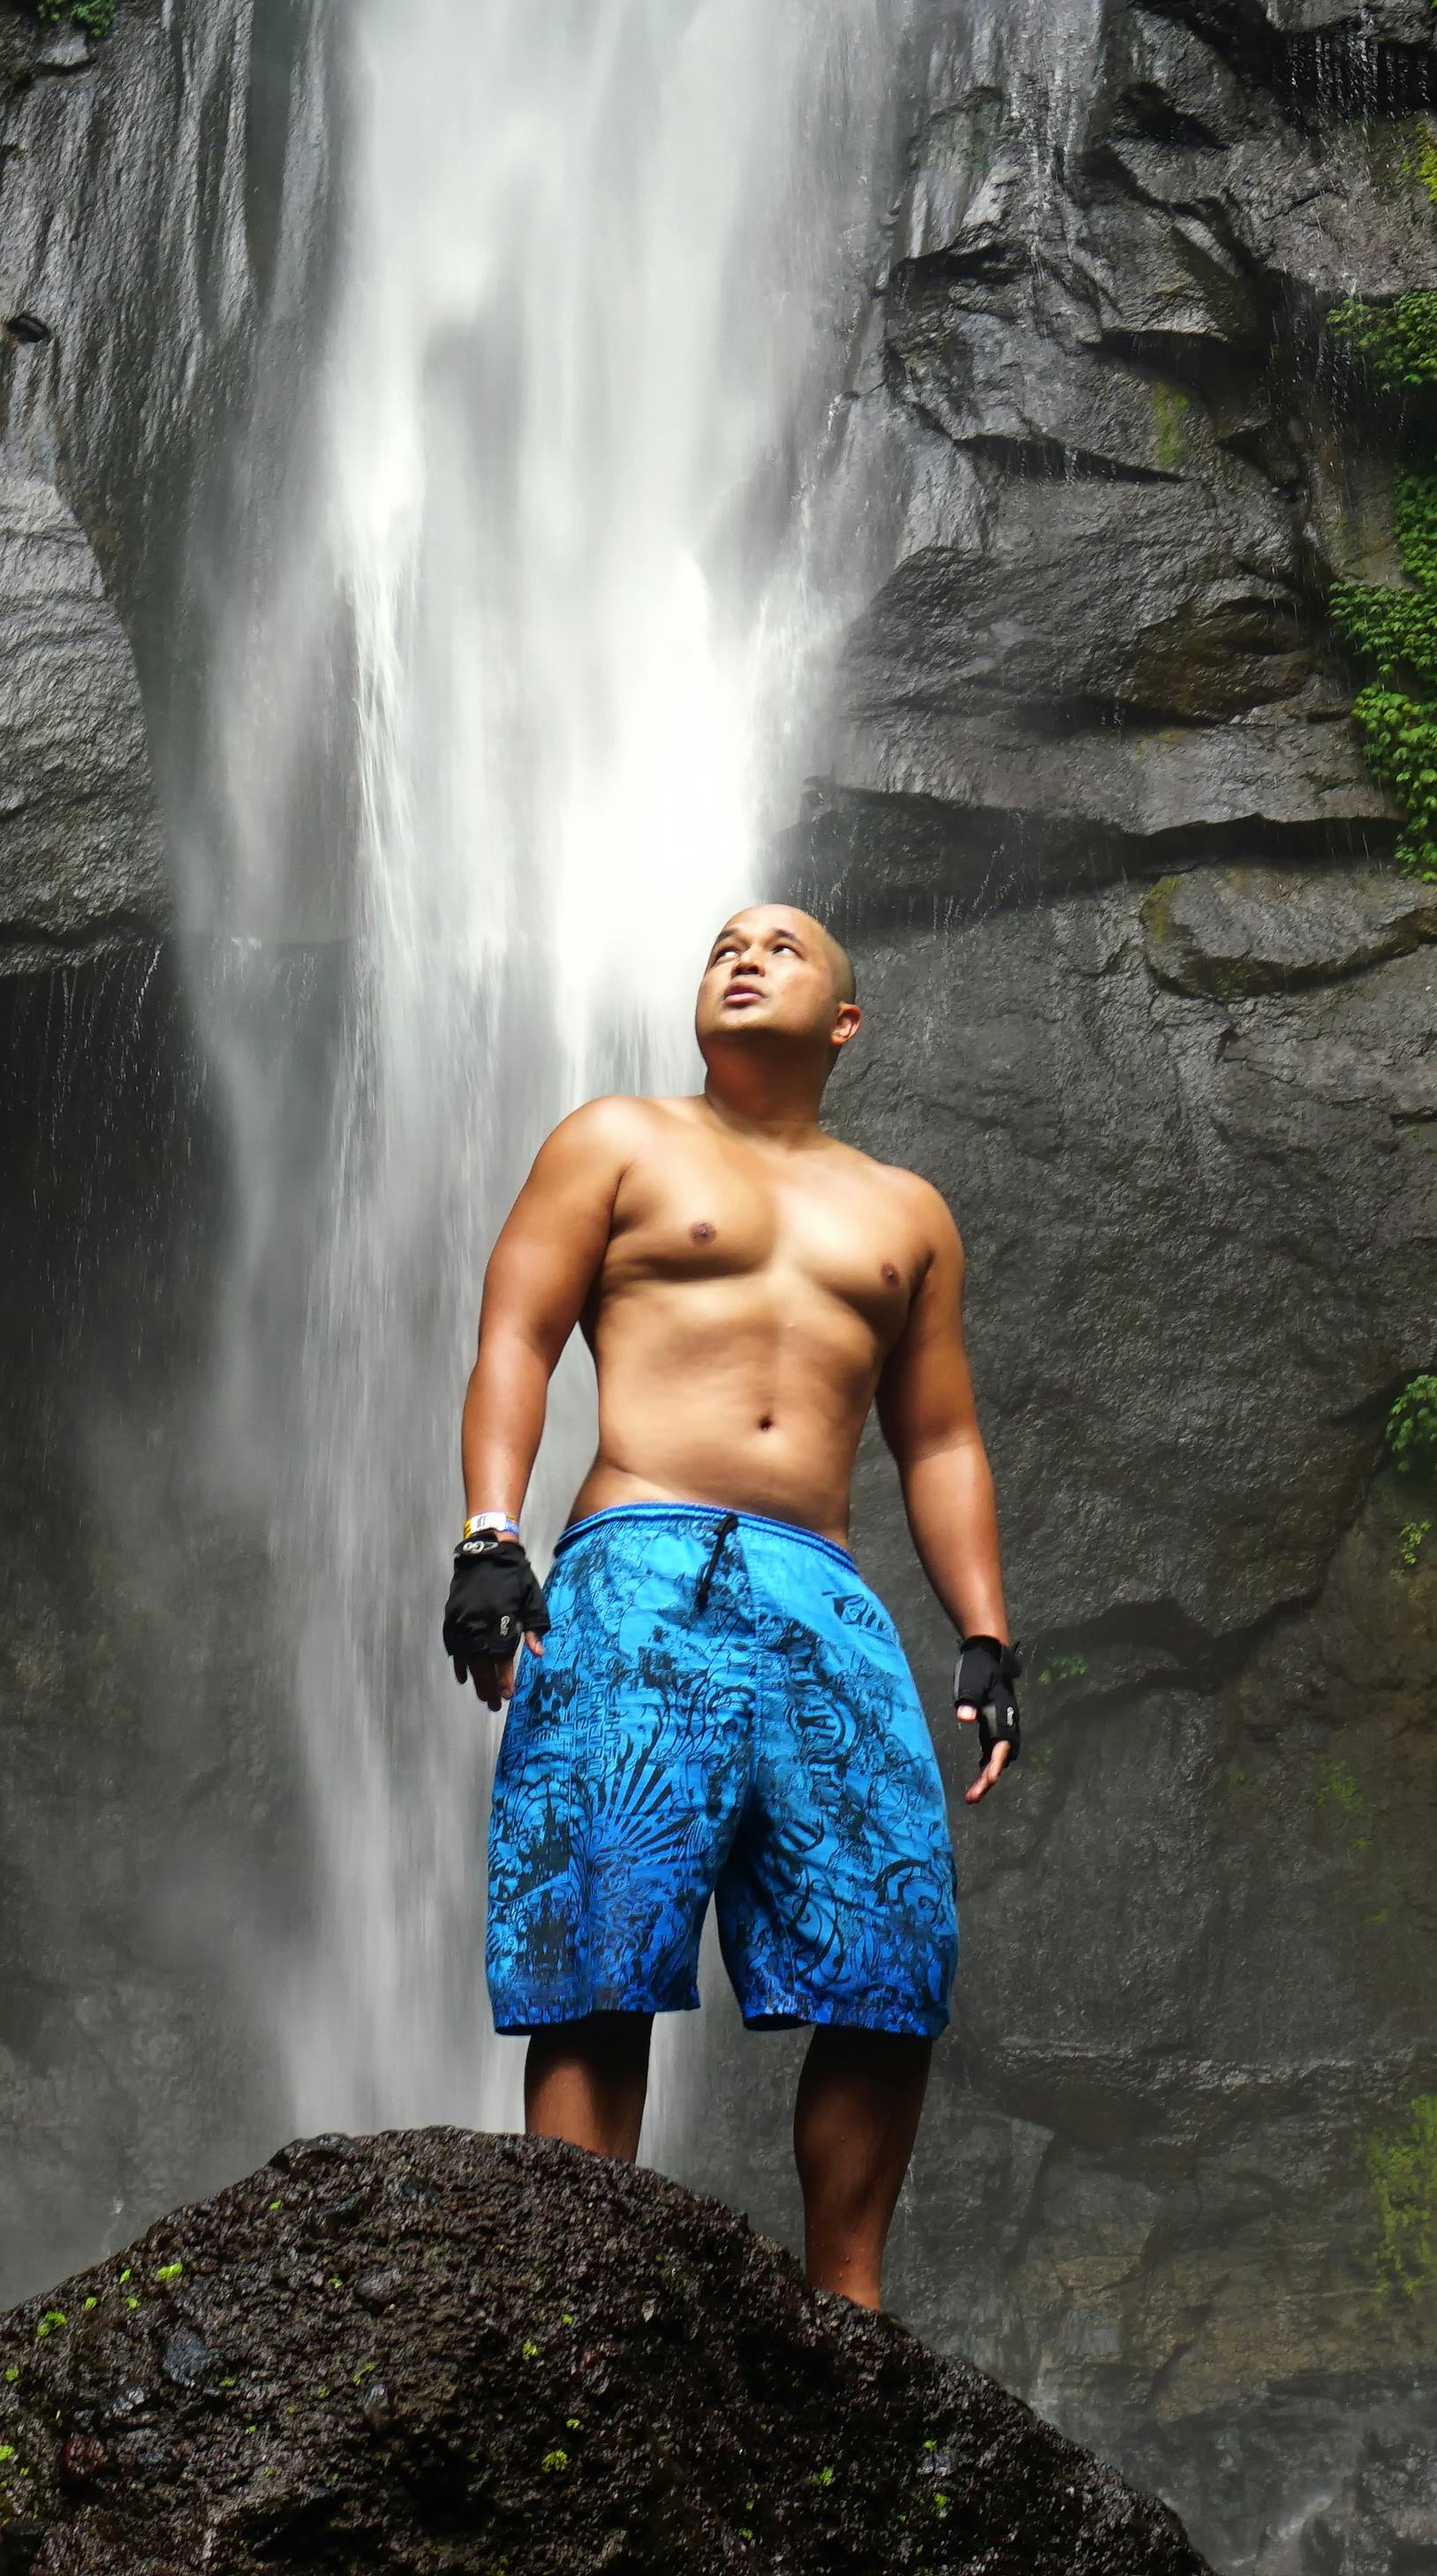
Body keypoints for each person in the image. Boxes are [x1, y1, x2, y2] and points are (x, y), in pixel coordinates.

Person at [440, 903, 1017, 2310]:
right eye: (721, 945)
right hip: (641, 1561)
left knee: (895, 1955)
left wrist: (988, 1634)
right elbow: (515, 1329)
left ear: (846, 1021)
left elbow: (937, 1439)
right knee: (599, 1927)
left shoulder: (905, 1213)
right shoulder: (618, 1140)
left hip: (823, 1594)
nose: (743, 957)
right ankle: (580, 2292)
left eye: (783, 947)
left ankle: (850, 2312)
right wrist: (490, 1536)